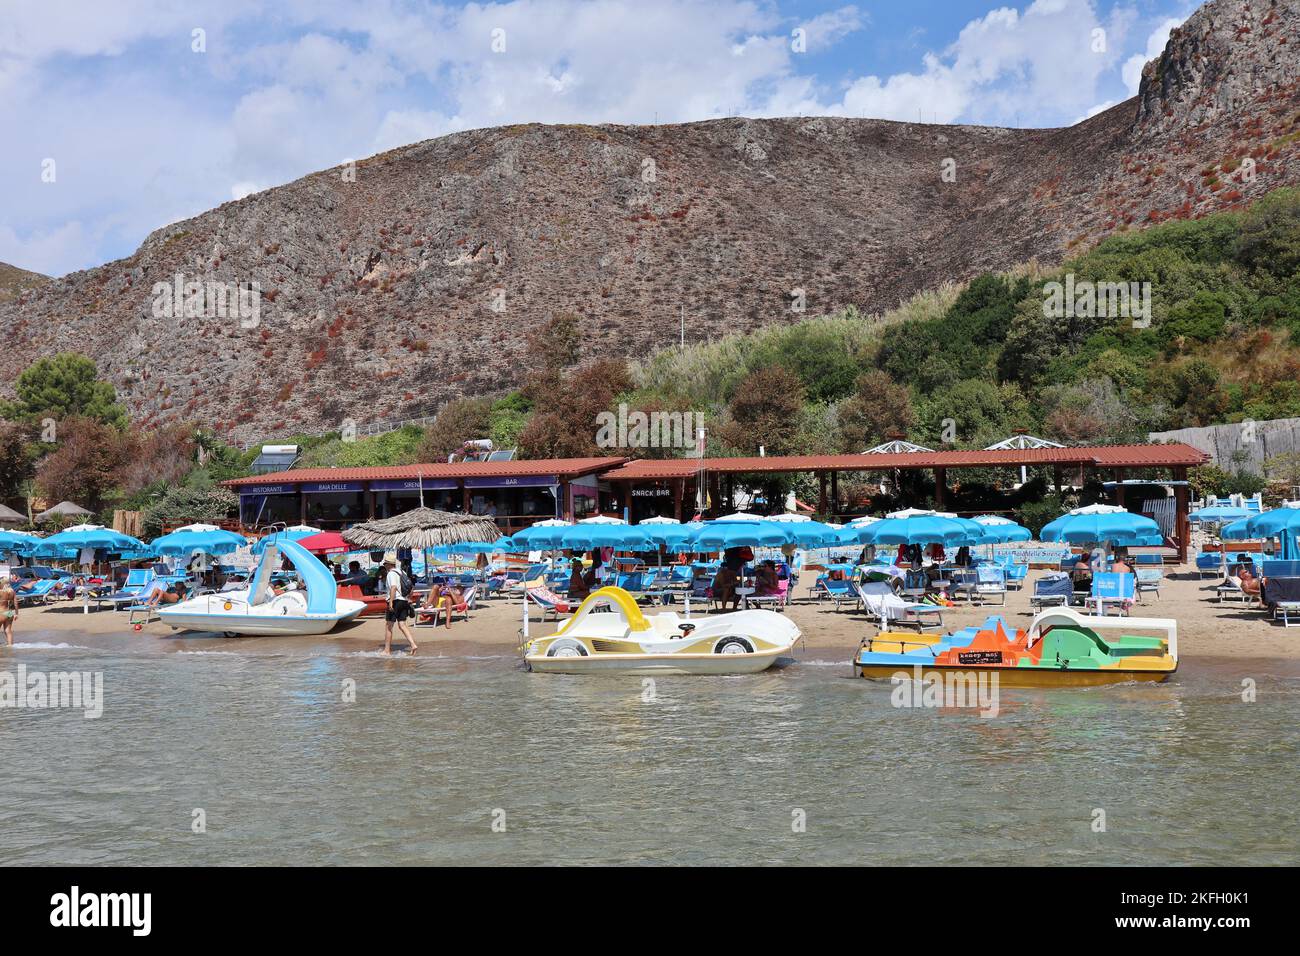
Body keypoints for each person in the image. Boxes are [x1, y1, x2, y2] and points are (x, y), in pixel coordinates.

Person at [382, 557, 418, 655]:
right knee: (402, 624)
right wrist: (409, 599)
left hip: (395, 601)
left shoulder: (390, 573)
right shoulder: (402, 572)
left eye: (385, 564)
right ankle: (413, 644)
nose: (384, 566)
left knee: (389, 626)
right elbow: (411, 588)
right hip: (404, 601)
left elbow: (393, 588)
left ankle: (387, 650)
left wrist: (391, 602)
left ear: (388, 564)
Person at [0, 578, 17, 645]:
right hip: (9, 612)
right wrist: (16, 614)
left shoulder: (1, 592)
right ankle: (10, 646)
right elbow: (15, 603)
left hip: (1, 612)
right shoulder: (12, 591)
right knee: (8, 631)